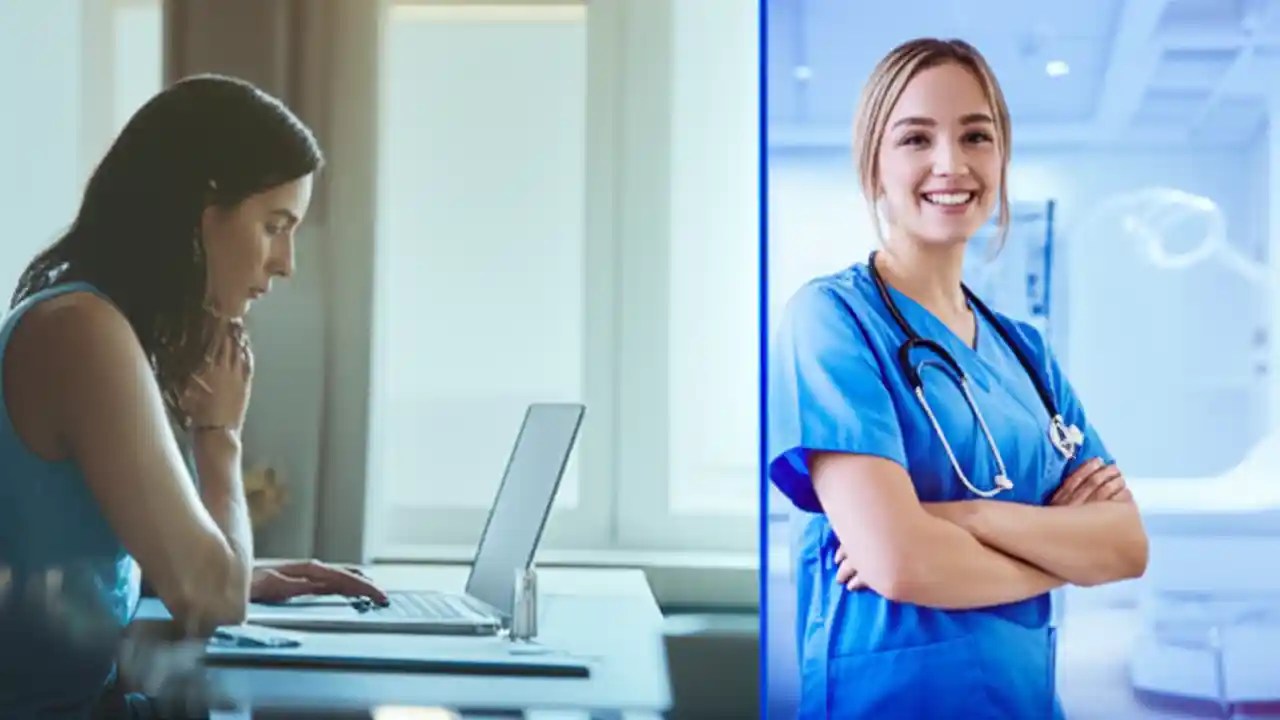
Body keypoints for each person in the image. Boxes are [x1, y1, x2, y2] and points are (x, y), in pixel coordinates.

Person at [768, 38, 1150, 719]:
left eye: (977, 135)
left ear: (1001, 157)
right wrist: (1060, 551)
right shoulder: (831, 320)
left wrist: (961, 518)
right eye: (915, 138)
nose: (952, 164)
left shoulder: (1025, 352)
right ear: (874, 167)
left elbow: (1124, 546)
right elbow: (898, 563)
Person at [0, 74, 388, 717]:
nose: (286, 261)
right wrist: (220, 436)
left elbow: (67, 557)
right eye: (274, 225)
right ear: (201, 211)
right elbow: (209, 598)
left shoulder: (85, 321)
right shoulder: (81, 332)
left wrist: (235, 567)